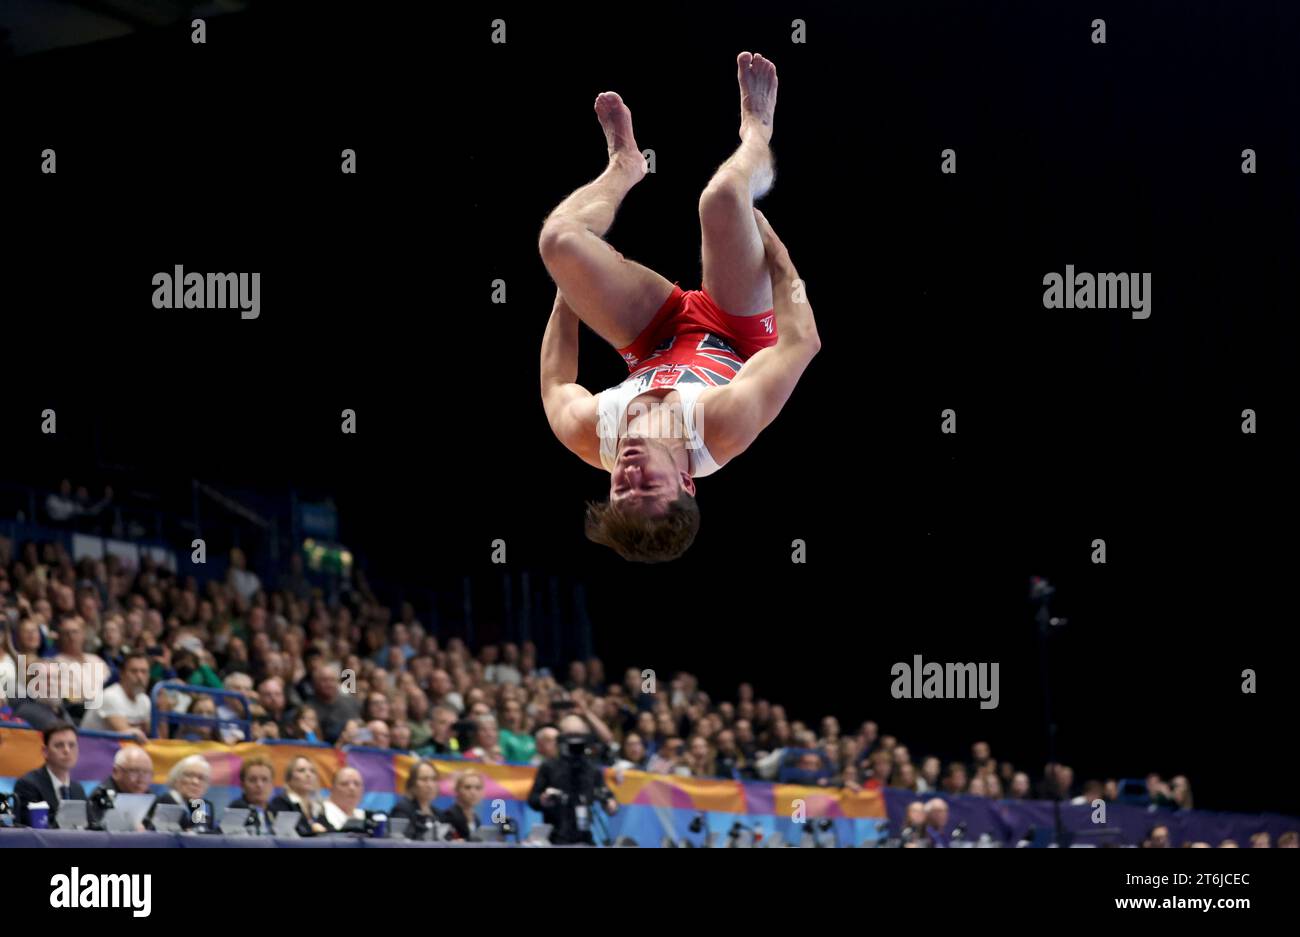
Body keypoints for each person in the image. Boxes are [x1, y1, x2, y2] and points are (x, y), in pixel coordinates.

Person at [537, 52, 820, 562]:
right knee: (724, 198)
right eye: (648, 487)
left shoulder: (592, 434)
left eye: (622, 490)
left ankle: (624, 166)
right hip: (738, 328)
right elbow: (803, 340)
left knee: (559, 242)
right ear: (687, 483)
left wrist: (571, 287)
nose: (628, 475)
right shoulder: (723, 426)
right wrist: (778, 256)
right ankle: (757, 132)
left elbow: (557, 383)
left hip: (652, 335)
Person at [527, 714, 619, 844]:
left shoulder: (592, 769)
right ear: (561, 737)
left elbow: (608, 798)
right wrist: (543, 799)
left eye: (579, 735)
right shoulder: (549, 767)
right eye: (570, 735)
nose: (575, 741)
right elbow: (533, 799)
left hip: (584, 837)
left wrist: (610, 804)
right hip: (555, 836)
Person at [12, 722, 87, 827]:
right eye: (59, 745)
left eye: (72, 745)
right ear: (45, 751)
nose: (67, 750)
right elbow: (32, 829)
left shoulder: (78, 789)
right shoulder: (28, 785)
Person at [80, 651, 151, 740]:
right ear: (122, 674)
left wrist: (162, 709)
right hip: (92, 748)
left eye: (144, 672)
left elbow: (151, 735)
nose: (140, 676)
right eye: (134, 671)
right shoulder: (111, 696)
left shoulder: (144, 700)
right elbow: (127, 737)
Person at [268, 755, 329, 835]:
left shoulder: (318, 805)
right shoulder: (280, 803)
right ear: (289, 779)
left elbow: (329, 830)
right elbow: (287, 834)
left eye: (312, 771)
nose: (308, 774)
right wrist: (312, 829)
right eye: (301, 770)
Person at [154, 754, 215, 831]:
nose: (195, 782)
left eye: (201, 778)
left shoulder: (202, 805)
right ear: (176, 778)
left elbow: (202, 833)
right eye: (189, 775)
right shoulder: (165, 801)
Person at [390, 759, 445, 840]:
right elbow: (401, 843)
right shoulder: (402, 809)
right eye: (424, 779)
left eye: (433, 779)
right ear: (412, 783)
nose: (430, 785)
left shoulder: (438, 813)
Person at [226, 754, 276, 835]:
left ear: (272, 784)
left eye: (265, 779)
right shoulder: (237, 809)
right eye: (253, 780)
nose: (259, 785)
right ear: (242, 785)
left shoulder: (274, 811)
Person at [442, 769, 486, 841]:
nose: (473, 792)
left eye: (478, 788)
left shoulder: (476, 819)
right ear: (457, 790)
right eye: (467, 787)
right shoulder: (449, 815)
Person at [321, 766, 367, 831]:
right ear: (332, 789)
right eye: (344, 784)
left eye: (357, 784)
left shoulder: (364, 817)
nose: (352, 788)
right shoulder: (320, 813)